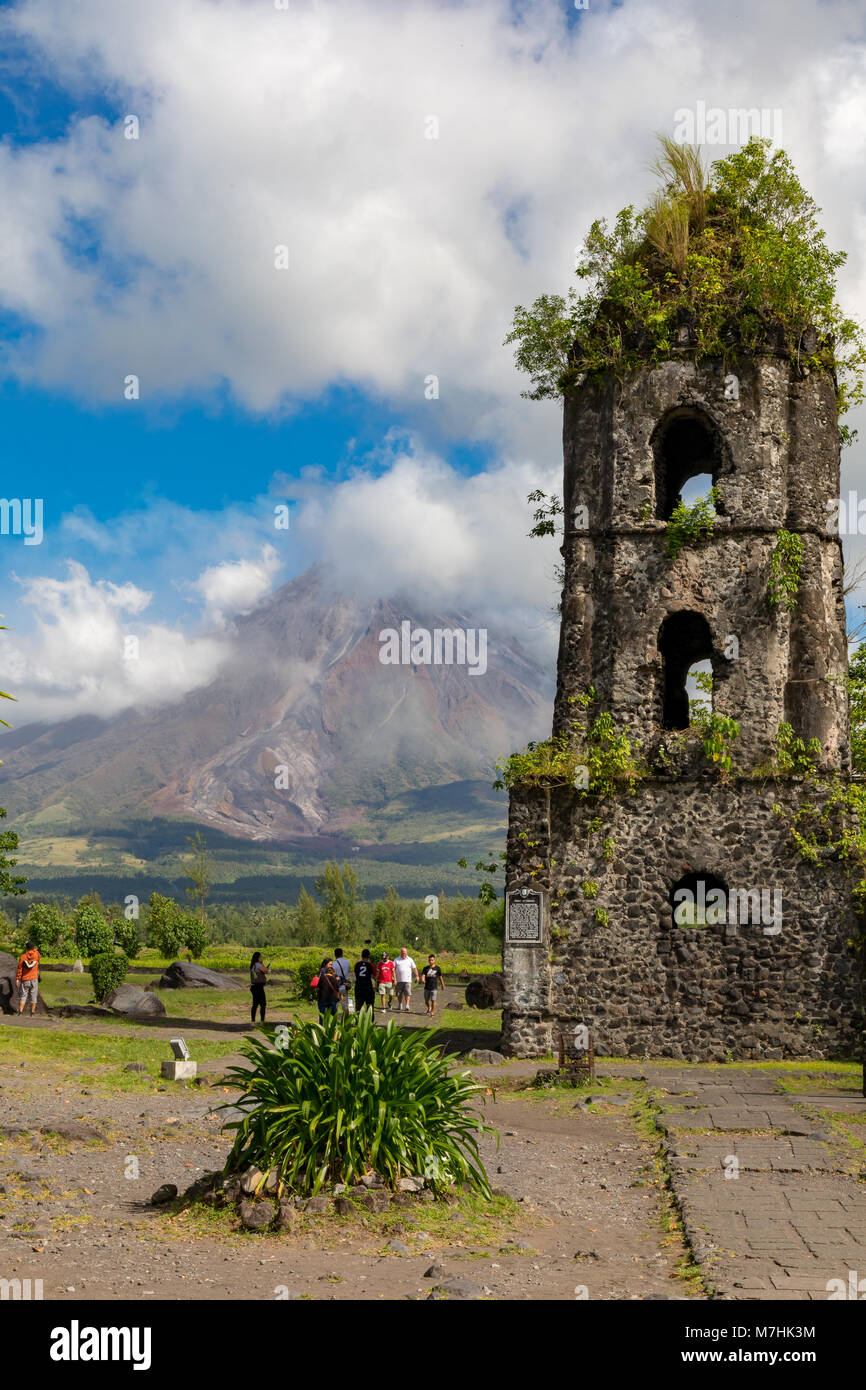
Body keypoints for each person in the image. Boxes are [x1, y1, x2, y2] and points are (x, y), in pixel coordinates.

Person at [16, 942, 40, 1017]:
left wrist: (17, 979)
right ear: (33, 948)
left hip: (25, 979)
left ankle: (20, 1012)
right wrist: (34, 949)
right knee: (33, 996)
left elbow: (19, 969)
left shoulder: (23, 957)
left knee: (23, 995)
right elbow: (38, 953)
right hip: (34, 978)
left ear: (26, 948)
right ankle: (32, 1014)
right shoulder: (36, 955)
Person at [393, 946, 419, 1014]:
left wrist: (417, 975)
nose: (404, 954)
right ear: (400, 953)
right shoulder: (396, 959)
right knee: (399, 994)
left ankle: (407, 1005)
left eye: (405, 953)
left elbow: (414, 968)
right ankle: (400, 1004)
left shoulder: (410, 959)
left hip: (407, 980)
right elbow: (393, 969)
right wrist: (393, 978)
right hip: (399, 980)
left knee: (407, 993)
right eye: (402, 952)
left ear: (406, 953)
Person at [353, 948, 376, 1013]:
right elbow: (374, 977)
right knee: (370, 1006)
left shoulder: (357, 964)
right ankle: (370, 1021)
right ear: (369, 956)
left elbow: (356, 974)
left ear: (361, 955)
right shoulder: (371, 965)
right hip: (368, 987)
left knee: (358, 1006)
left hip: (359, 987)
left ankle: (358, 1021)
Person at [249, 951, 268, 1024]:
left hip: (254, 987)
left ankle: (253, 1021)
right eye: (260, 957)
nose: (262, 958)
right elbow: (266, 971)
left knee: (255, 1004)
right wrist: (262, 964)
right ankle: (262, 1021)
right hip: (259, 987)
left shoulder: (253, 965)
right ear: (257, 958)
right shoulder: (258, 965)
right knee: (263, 1004)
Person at [332, 947, 351, 1012]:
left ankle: (335, 1021)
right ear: (342, 954)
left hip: (336, 988)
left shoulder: (333, 964)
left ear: (335, 955)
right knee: (345, 1006)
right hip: (344, 986)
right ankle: (346, 1021)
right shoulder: (347, 962)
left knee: (335, 1006)